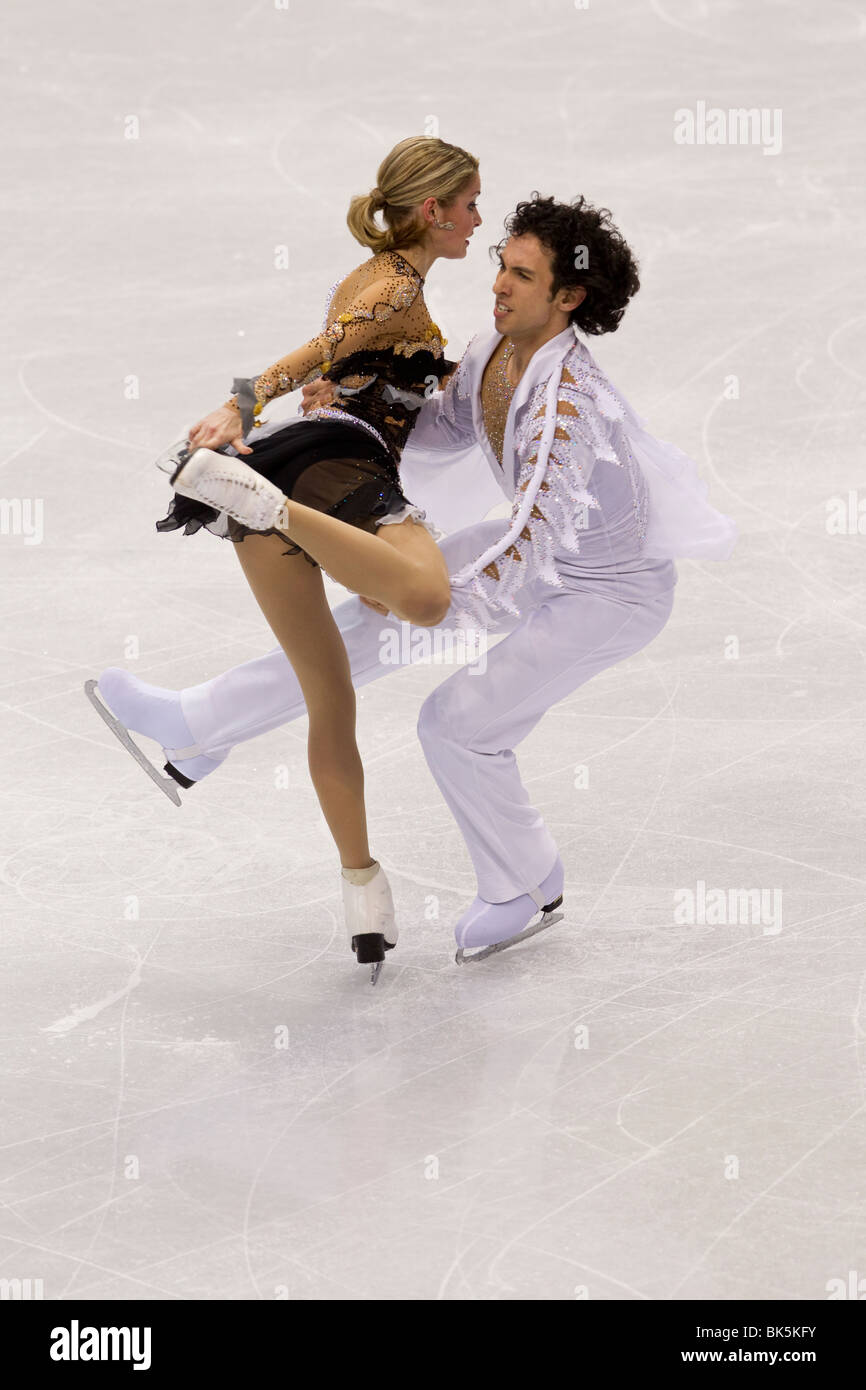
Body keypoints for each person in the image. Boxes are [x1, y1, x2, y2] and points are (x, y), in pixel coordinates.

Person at [91, 194, 736, 971]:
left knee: (455, 723)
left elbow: (531, 533)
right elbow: (445, 428)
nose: (498, 283)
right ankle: (198, 726)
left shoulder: (568, 406)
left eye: (522, 275)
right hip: (550, 553)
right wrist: (360, 401)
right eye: (501, 262)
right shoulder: (498, 352)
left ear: (569, 298)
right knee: (370, 631)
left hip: (608, 590)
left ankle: (527, 885)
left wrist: (421, 593)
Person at [91, 135, 483, 982]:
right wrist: (238, 401)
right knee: (423, 598)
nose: (477, 222)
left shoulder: (379, 279)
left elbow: (347, 351)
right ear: (433, 210)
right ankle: (268, 506)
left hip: (286, 464)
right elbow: (325, 344)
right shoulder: (394, 287)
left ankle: (362, 892)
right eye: (470, 205)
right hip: (332, 464)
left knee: (329, 697)